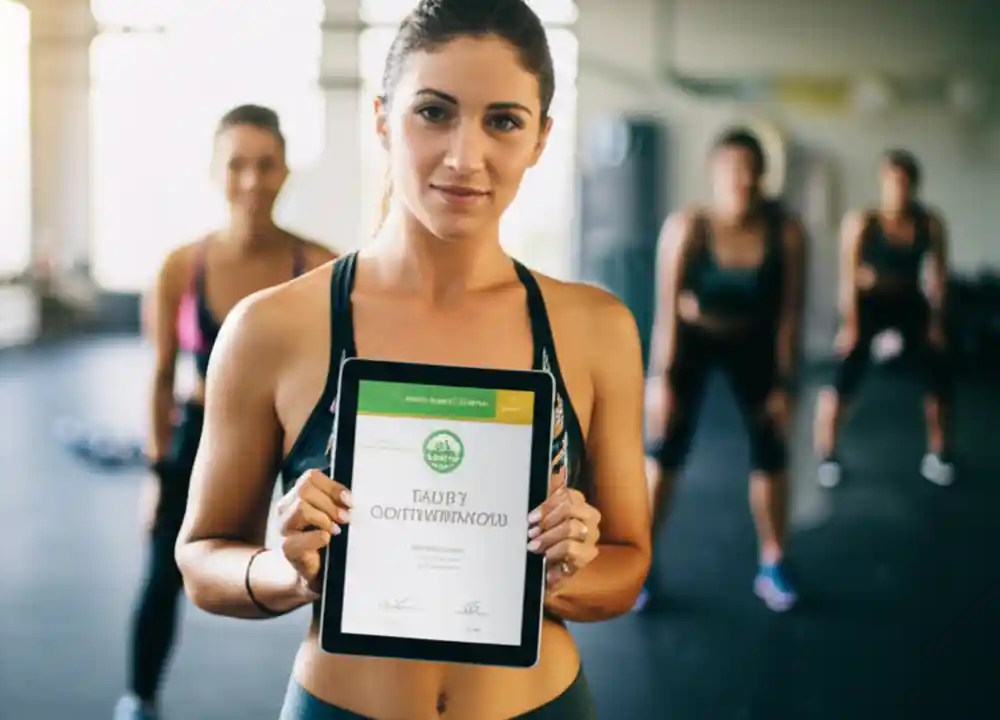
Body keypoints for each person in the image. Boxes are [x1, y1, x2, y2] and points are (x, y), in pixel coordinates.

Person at [175, 3, 651, 717]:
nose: (466, 157)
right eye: (434, 112)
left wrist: (561, 567)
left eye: (504, 120)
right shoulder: (271, 328)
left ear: (541, 138)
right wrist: (287, 570)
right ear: (381, 118)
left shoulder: (595, 329)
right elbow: (202, 559)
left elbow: (629, 564)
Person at [114, 105, 336, 720]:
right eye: (237, 164)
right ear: (215, 171)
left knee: (331, 565)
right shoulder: (182, 266)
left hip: (298, 439)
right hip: (203, 433)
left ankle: (337, 696)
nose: (251, 180)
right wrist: (156, 477)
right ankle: (139, 698)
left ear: (285, 171)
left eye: (266, 165)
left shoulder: (319, 265)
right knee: (164, 569)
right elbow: (161, 378)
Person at [640, 129, 806, 612]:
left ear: (763, 176)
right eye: (733, 168)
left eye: (752, 169)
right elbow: (666, 314)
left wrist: (785, 384)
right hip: (693, 342)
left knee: (771, 450)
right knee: (665, 451)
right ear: (714, 174)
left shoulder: (785, 231)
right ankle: (642, 564)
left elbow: (790, 314)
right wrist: (661, 381)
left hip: (754, 343)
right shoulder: (689, 227)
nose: (744, 179)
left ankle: (773, 562)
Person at [813, 149, 954, 488]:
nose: (899, 189)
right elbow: (847, 279)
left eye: (905, 182)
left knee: (938, 375)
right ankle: (827, 456)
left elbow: (937, 275)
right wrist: (850, 326)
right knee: (845, 375)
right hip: (868, 303)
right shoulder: (863, 222)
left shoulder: (929, 223)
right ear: (882, 184)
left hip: (909, 299)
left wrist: (936, 323)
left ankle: (939, 454)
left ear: (915, 185)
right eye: (892, 182)